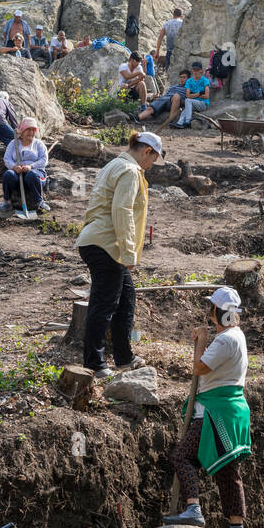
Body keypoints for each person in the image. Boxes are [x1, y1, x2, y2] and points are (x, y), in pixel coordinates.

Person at [161, 285, 252, 528]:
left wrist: (201, 341)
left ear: (218, 311)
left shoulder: (225, 340)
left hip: (217, 413)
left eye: (211, 307)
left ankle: (193, 509)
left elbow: (199, 367)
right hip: (232, 410)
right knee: (227, 470)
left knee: (183, 456)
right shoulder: (238, 336)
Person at [75, 131, 162, 379]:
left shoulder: (116, 163)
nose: (151, 165)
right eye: (153, 159)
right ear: (147, 151)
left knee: (126, 299)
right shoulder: (130, 171)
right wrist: (128, 252)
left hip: (99, 240)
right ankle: (94, 363)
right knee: (104, 304)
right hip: (107, 243)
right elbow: (121, 210)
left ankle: (124, 357)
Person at [0, 118, 50, 215]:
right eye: (28, 129)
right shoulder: (13, 143)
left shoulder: (38, 144)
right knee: (8, 174)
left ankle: (39, 201)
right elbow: (7, 158)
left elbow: (44, 159)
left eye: (33, 130)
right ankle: (7, 202)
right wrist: (14, 167)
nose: (31, 132)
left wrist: (31, 166)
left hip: (36, 172)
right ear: (22, 131)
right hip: (18, 172)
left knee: (31, 175)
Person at [172, 60, 211, 129]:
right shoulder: (190, 81)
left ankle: (187, 121)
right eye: (194, 69)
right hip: (192, 103)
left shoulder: (205, 80)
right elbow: (188, 95)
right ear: (192, 70)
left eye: (197, 69)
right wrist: (199, 93)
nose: (195, 71)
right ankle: (180, 123)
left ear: (201, 70)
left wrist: (193, 95)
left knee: (188, 101)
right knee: (186, 108)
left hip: (203, 104)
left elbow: (206, 96)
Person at [155, 8, 184, 72]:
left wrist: (157, 51)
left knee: (169, 71)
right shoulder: (183, 23)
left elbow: (160, 37)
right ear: (182, 16)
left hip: (170, 51)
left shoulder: (167, 24)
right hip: (181, 51)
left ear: (173, 15)